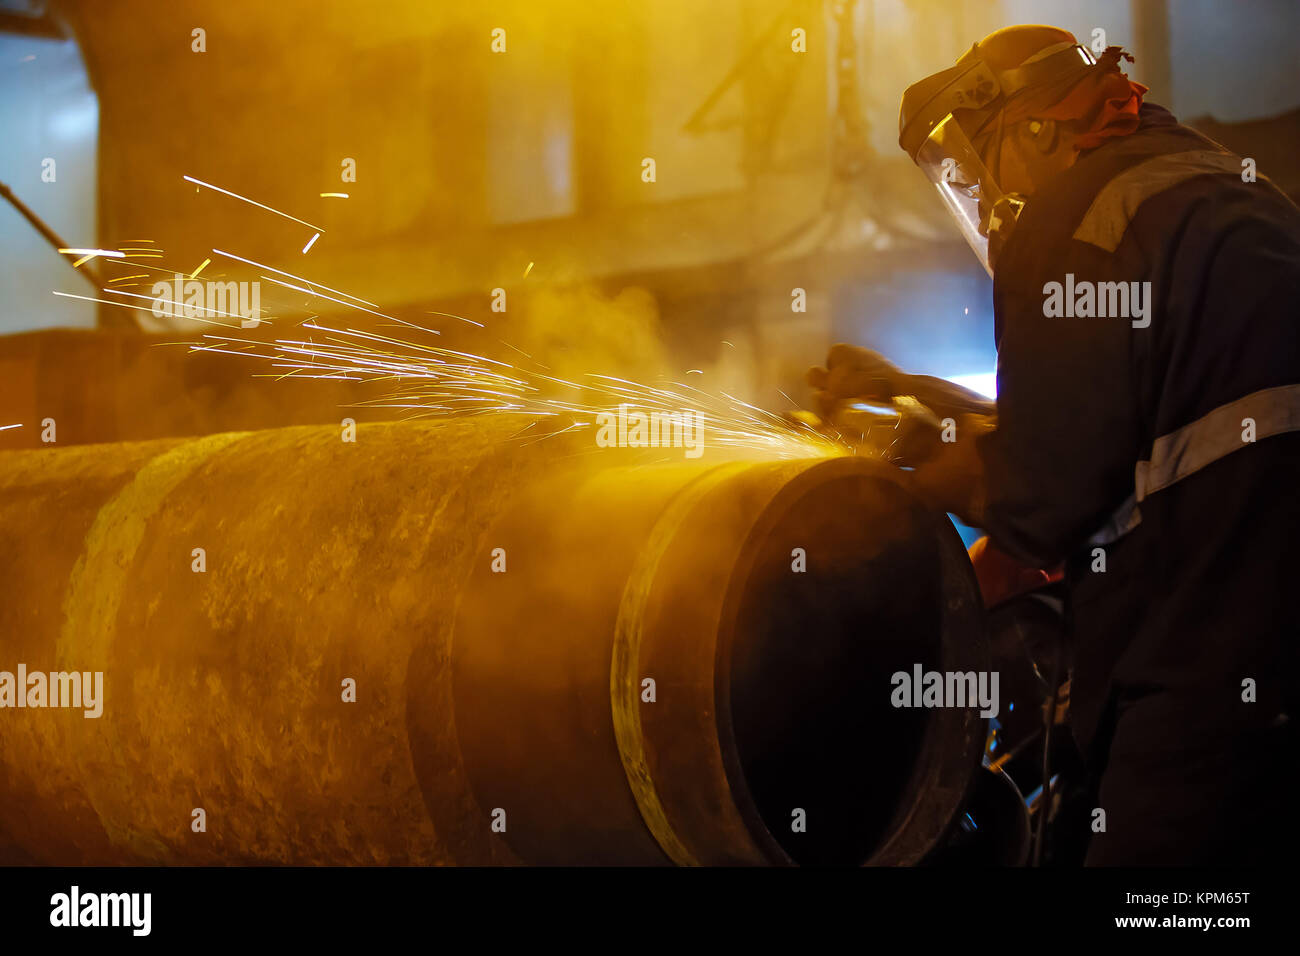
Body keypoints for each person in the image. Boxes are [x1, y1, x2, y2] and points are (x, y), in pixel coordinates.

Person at [809, 25, 1300, 865]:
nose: (985, 194)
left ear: (1038, 131)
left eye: (982, 163)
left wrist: (897, 481)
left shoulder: (1069, 223)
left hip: (1206, 683)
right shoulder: (1225, 192)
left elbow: (1041, 505)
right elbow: (1109, 427)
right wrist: (924, 393)